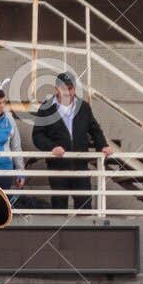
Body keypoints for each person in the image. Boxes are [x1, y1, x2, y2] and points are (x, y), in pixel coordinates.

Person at [28, 70, 113, 210]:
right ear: (56, 89)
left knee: (84, 204)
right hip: (57, 167)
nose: (67, 91)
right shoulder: (46, 108)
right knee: (59, 204)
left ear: (75, 88)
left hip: (80, 166)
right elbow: (37, 135)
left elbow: (95, 129)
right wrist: (52, 148)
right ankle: (60, 232)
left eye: (70, 88)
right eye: (63, 88)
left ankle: (85, 232)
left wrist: (102, 145)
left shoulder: (84, 107)